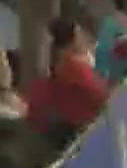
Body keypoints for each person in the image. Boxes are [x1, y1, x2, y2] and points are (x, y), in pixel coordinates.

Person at [25, 18, 108, 149]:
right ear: (74, 39)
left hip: (49, 138)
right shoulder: (73, 67)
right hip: (79, 138)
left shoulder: (52, 68)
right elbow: (101, 97)